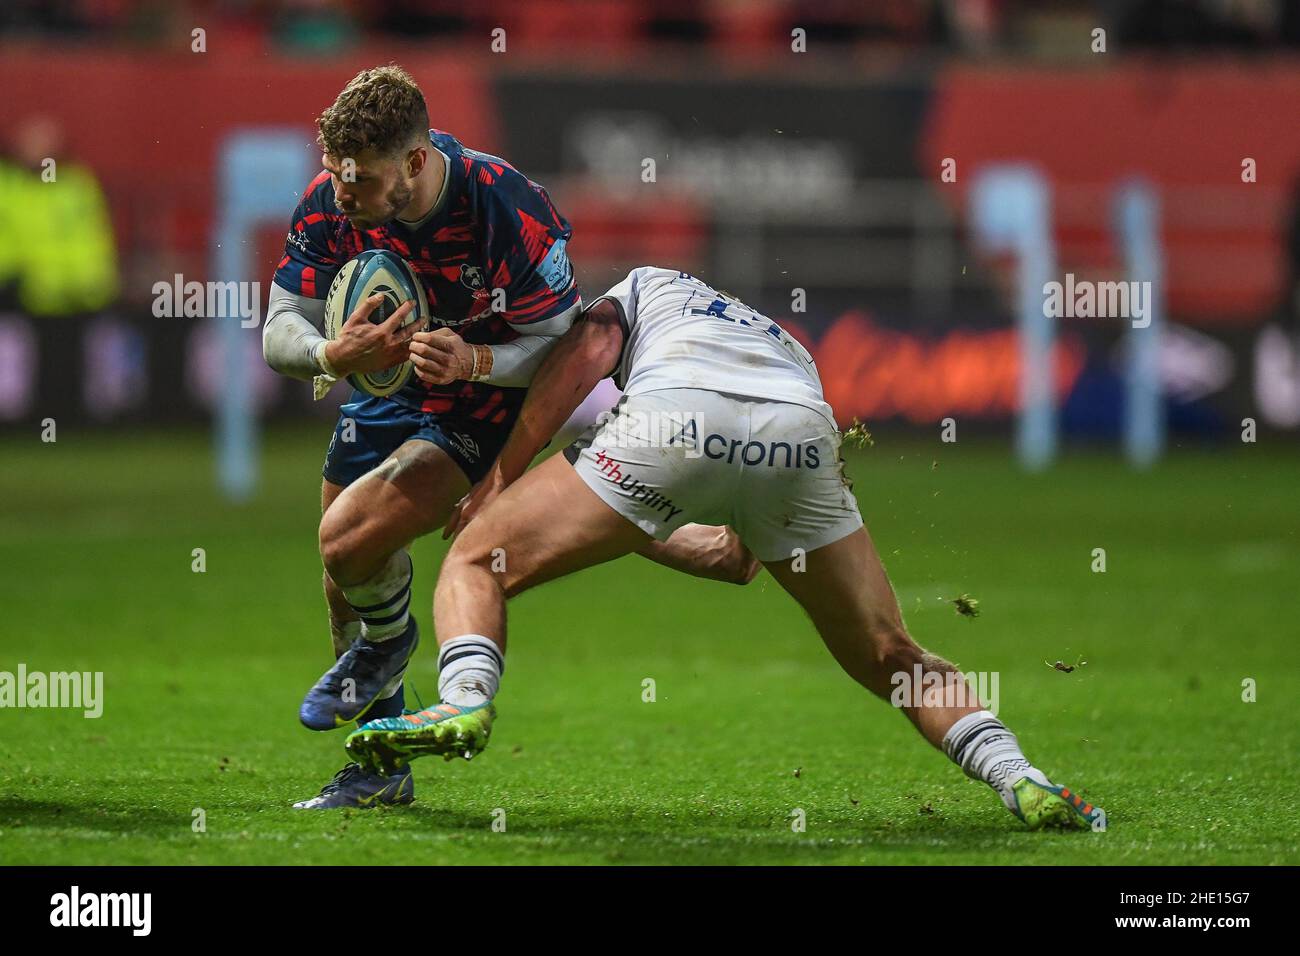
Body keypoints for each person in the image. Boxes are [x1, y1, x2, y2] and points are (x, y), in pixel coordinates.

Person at [348, 267, 1106, 830]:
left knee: (477, 558)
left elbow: (587, 350)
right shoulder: (784, 344)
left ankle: (464, 703)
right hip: (801, 431)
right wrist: (625, 514)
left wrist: (505, 477)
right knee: (891, 654)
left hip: (672, 418)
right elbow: (733, 556)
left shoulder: (643, 285)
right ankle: (1020, 777)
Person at [262, 70, 756, 810]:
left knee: (347, 540)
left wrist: (474, 359)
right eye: (336, 174)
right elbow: (278, 325)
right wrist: (331, 356)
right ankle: (381, 766)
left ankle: (391, 660)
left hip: (486, 402)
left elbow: (563, 351)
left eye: (357, 180)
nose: (341, 194)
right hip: (388, 387)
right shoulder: (331, 199)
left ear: (417, 164)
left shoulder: (505, 207)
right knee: (346, 574)